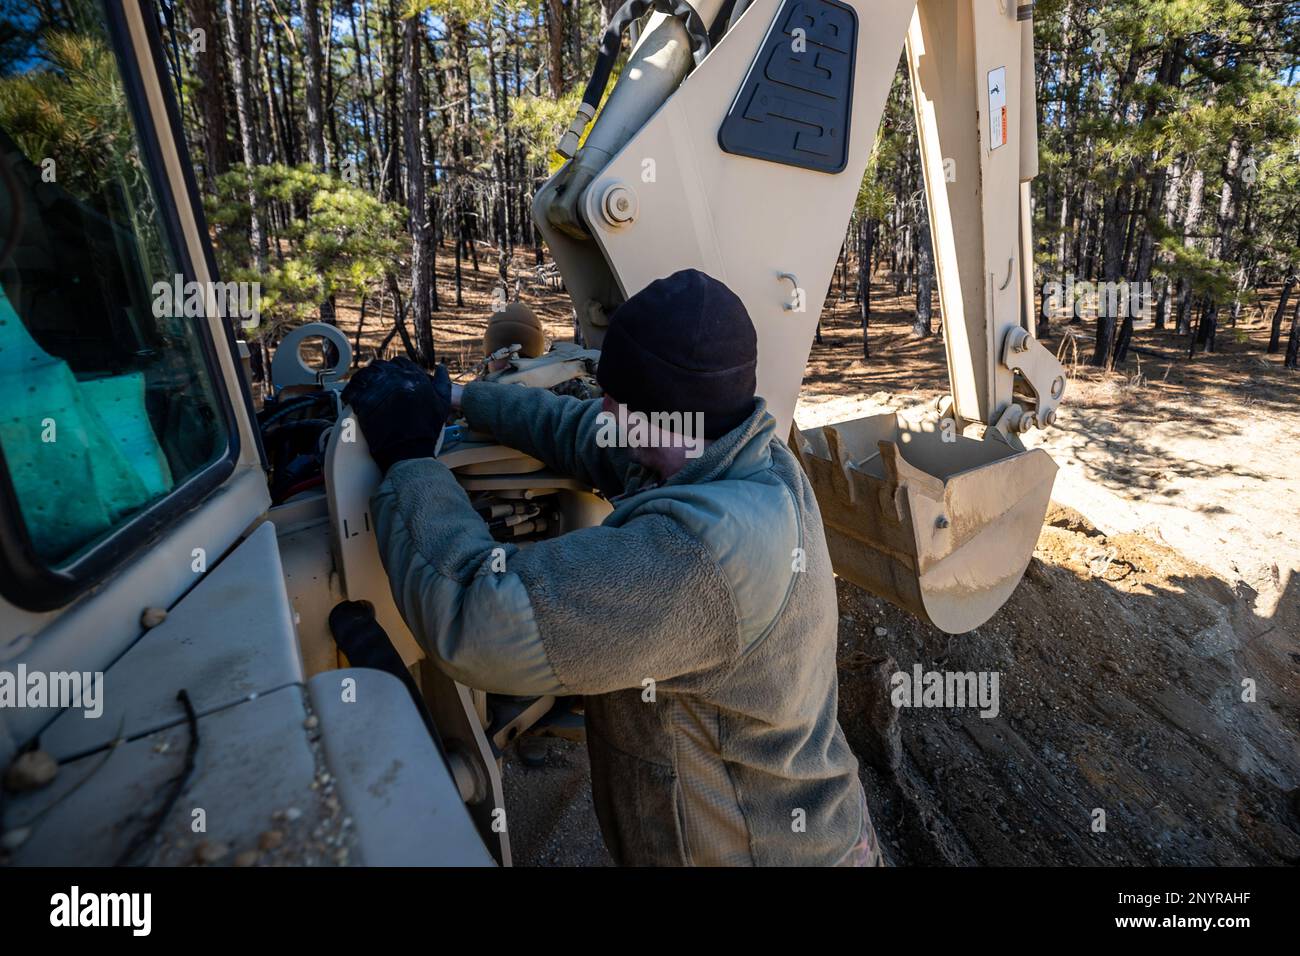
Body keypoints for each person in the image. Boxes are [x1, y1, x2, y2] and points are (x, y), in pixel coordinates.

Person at [342, 269, 882, 866]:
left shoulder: (694, 558)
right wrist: (456, 400)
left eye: (618, 399)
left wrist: (409, 461)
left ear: (662, 416)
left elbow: (478, 620)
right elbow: (584, 434)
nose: (603, 406)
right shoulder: (741, 453)